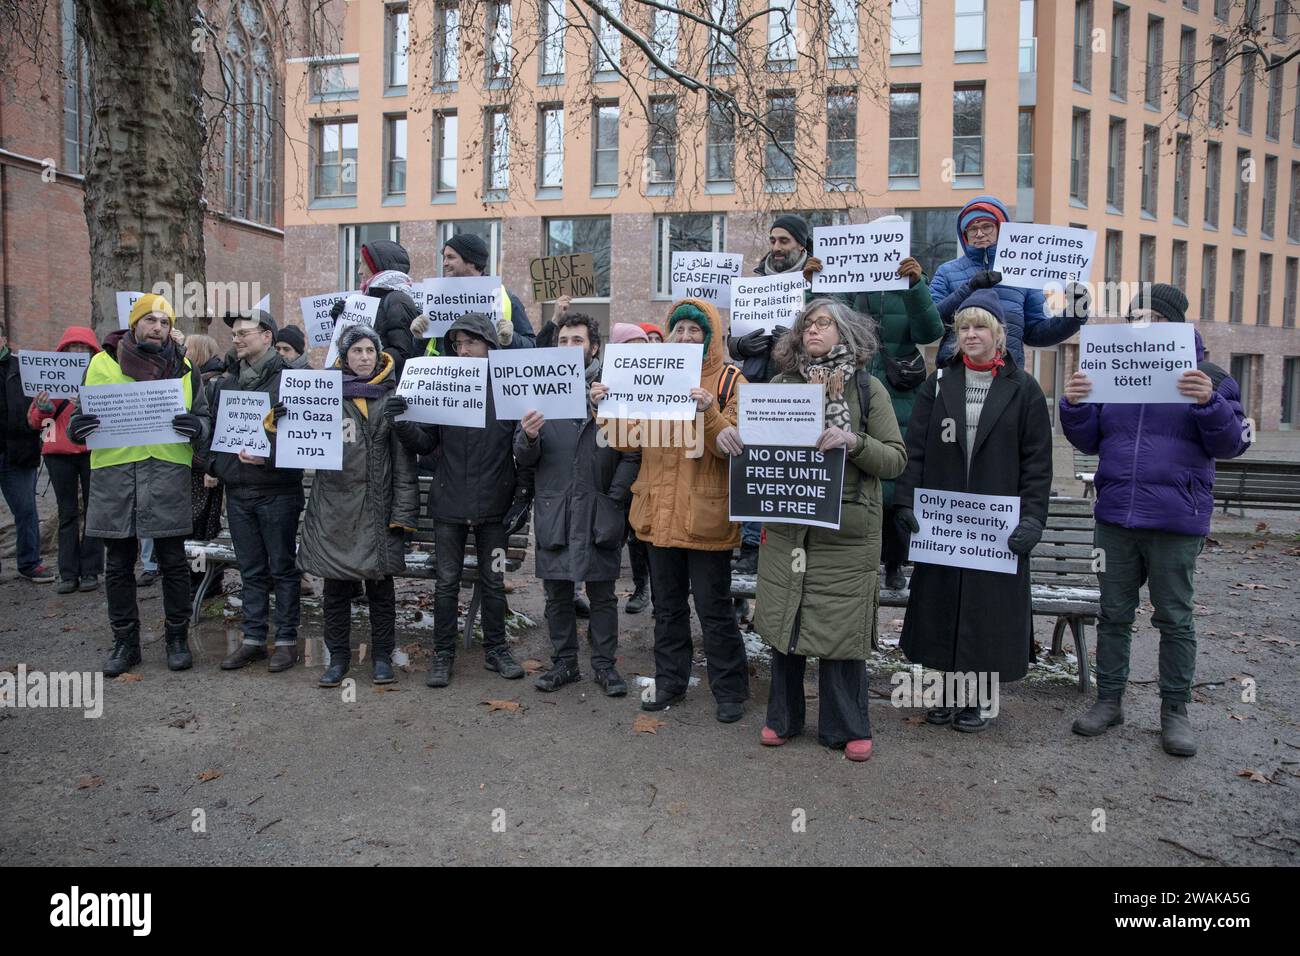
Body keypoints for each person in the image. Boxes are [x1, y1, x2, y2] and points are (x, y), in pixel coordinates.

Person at [1063, 285, 1249, 757]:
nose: (1144, 326)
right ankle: (1109, 701)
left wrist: (1210, 404)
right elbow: (1087, 439)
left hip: (1176, 520)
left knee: (1175, 619)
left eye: (1154, 318)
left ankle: (1175, 713)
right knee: (1113, 614)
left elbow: (1234, 444)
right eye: (1135, 318)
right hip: (1116, 517)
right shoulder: (1112, 371)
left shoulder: (1211, 376)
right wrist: (1075, 404)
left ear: (1177, 325)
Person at [735, 300, 907, 761]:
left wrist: (854, 442)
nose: (813, 330)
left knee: (840, 631)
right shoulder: (780, 385)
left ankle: (846, 728)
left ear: (846, 334)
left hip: (846, 531)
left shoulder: (869, 391)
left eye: (824, 323)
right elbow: (756, 449)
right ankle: (782, 720)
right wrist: (730, 438)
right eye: (807, 324)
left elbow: (895, 459)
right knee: (787, 621)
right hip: (790, 526)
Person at [894, 291, 1053, 732]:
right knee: (945, 605)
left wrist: (1033, 519)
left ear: (999, 335)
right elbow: (917, 449)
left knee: (985, 610)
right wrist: (906, 501)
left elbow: (1038, 464)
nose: (969, 335)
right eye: (963, 327)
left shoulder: (1024, 390)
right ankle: (946, 692)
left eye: (979, 327)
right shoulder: (939, 383)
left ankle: (978, 699)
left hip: (995, 526)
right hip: (946, 521)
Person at [593, 299, 750, 723]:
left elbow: (734, 446)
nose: (684, 337)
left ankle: (731, 690)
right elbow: (624, 442)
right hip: (658, 513)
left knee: (714, 609)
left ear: (710, 336)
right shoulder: (651, 372)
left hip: (706, 515)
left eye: (694, 331)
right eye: (678, 329)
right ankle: (670, 683)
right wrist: (604, 406)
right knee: (667, 606)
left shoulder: (731, 380)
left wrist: (710, 411)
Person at [68, 294, 211, 675]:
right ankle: (125, 643)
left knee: (173, 562)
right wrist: (75, 427)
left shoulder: (183, 366)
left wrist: (198, 427)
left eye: (164, 323)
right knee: (117, 565)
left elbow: (204, 416)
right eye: (150, 320)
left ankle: (177, 639)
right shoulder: (101, 363)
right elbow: (80, 415)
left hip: (166, 476)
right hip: (114, 478)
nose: (158, 328)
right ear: (134, 324)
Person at [391, 312, 528, 687]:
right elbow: (426, 443)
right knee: (447, 582)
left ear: (489, 345)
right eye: (458, 344)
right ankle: (443, 653)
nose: (463, 350)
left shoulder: (508, 388)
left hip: (495, 505)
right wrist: (404, 425)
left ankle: (496, 649)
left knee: (494, 580)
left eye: (471, 342)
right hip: (449, 503)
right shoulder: (444, 384)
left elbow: (524, 448)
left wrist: (521, 490)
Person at [513, 312, 640, 696]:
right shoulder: (538, 393)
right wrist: (529, 437)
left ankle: (604, 666)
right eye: (563, 340)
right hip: (556, 510)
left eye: (577, 341)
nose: (569, 348)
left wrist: (613, 497)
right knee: (557, 595)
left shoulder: (614, 390)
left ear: (594, 347)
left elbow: (632, 452)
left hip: (600, 512)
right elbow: (521, 457)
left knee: (602, 595)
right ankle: (564, 664)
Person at [295, 324, 418, 687]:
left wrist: (404, 515)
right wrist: (280, 422)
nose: (364, 357)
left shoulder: (393, 395)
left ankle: (382, 658)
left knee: (381, 591)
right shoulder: (321, 395)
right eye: (356, 351)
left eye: (369, 350)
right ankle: (338, 660)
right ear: (344, 357)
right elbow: (293, 443)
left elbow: (405, 463)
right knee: (335, 591)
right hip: (335, 509)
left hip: (380, 509)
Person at [850, 215, 944, 591]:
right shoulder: (853, 277)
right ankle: (860, 561)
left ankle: (894, 561)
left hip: (901, 390)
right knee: (860, 465)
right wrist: (813, 285)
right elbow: (825, 316)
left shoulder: (913, 281)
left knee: (895, 471)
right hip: (856, 385)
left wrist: (916, 286)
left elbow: (930, 330)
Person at [208, 311, 305, 674]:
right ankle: (252, 638)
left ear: (267, 337)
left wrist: (270, 456)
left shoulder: (292, 381)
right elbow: (212, 425)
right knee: (249, 569)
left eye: (244, 333)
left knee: (281, 567)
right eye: (234, 334)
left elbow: (310, 440)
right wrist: (216, 465)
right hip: (238, 489)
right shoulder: (227, 380)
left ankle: (285, 641)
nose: (237, 339)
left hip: (277, 489)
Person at [727, 213, 819, 574]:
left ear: (801, 244)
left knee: (788, 466)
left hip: (796, 387)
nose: (777, 247)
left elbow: (828, 334)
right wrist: (741, 344)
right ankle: (751, 544)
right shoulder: (754, 284)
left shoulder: (812, 284)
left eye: (785, 241)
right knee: (753, 465)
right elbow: (731, 340)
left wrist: (793, 340)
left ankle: (790, 542)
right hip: (755, 386)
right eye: (773, 240)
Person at [928, 196, 1090, 366]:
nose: (980, 233)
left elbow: (1035, 333)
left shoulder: (1025, 272)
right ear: (964, 235)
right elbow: (930, 324)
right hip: (955, 374)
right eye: (972, 229)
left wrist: (1075, 313)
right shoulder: (947, 272)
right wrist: (968, 289)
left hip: (1007, 377)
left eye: (987, 226)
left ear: (1001, 228)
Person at [25, 326, 102, 591]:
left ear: (92, 352)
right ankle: (68, 574)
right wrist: (44, 409)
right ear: (65, 350)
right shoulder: (49, 379)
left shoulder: (100, 375)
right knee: (67, 513)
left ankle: (91, 571)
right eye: (74, 347)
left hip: (93, 451)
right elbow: (36, 422)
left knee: (95, 512)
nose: (79, 352)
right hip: (58, 454)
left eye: (84, 348)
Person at [410, 232, 536, 352]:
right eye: (445, 258)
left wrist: (511, 339)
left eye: (450, 257)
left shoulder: (505, 298)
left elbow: (532, 346)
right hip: (447, 372)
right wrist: (419, 338)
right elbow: (419, 352)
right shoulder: (436, 299)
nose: (445, 263)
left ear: (471, 261)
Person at [608, 323, 652, 614]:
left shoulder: (658, 380)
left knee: (639, 537)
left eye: (643, 344)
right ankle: (605, 599)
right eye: (630, 345)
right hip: (613, 473)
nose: (637, 351)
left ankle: (642, 587)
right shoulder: (607, 385)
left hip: (648, 472)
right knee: (612, 535)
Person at [330, 240, 419, 374]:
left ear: (378, 266)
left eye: (364, 264)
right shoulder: (370, 298)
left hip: (384, 385)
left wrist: (370, 361)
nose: (359, 271)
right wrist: (340, 322)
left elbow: (402, 352)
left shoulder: (397, 300)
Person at [183, 334, 225, 553]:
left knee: (203, 527)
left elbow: (216, 425)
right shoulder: (191, 379)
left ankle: (204, 582)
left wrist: (211, 466)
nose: (184, 352)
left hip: (204, 467)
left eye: (188, 349)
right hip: (191, 464)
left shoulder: (214, 383)